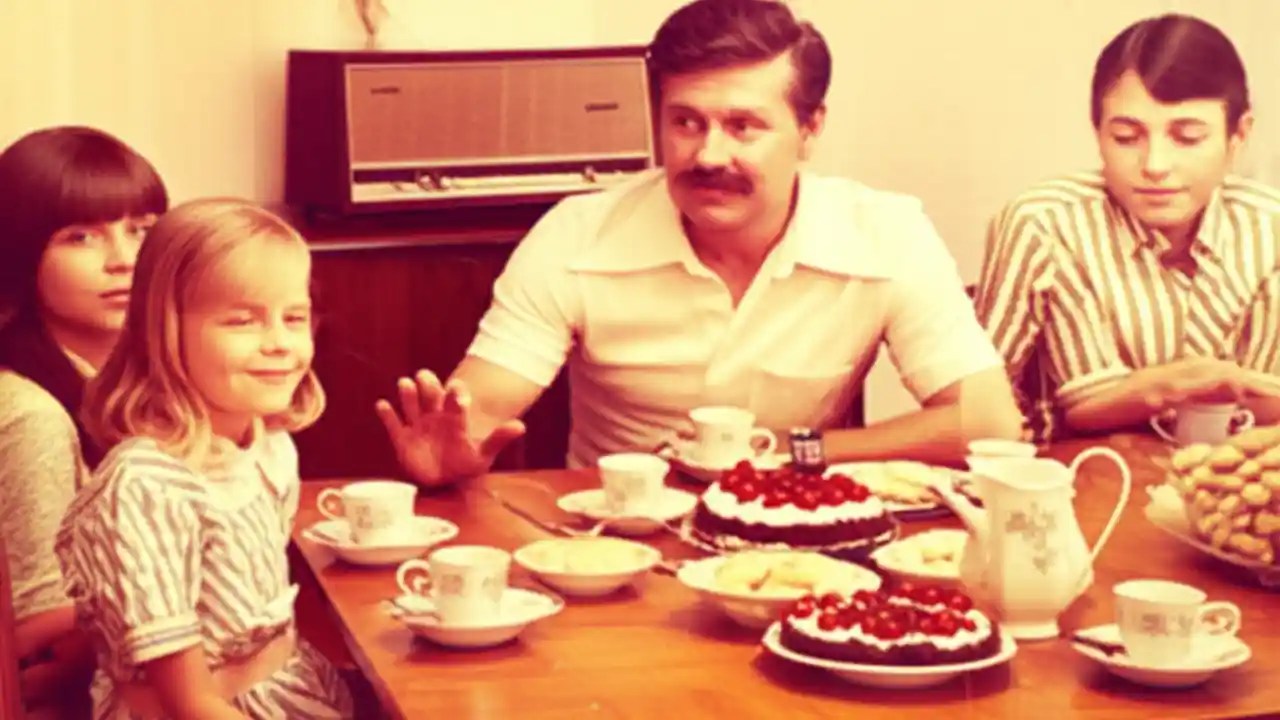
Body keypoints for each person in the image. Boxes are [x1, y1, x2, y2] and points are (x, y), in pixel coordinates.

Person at [376, 0, 1022, 486]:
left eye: (744, 126)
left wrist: (789, 451)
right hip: (615, 546)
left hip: (798, 533)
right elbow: (477, 410)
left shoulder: (886, 232)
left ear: (810, 128)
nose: (709, 154)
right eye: (686, 122)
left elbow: (989, 421)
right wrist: (450, 458)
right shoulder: (578, 235)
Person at [56, 199, 352, 719]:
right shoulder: (146, 488)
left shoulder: (268, 445)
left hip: (286, 691)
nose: (280, 343)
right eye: (243, 321)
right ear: (166, 333)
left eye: (295, 317)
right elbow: (187, 700)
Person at [975, 14, 1280, 441]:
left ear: (1238, 135)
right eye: (1126, 136)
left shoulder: (1270, 227)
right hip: (1081, 482)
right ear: (1097, 131)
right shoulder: (1045, 222)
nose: (1154, 166)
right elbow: (977, 409)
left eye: (1187, 137)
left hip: (1236, 484)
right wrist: (1171, 384)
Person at [0, 125, 167, 716]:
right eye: (81, 237)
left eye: (141, 230)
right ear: (22, 253)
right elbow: (37, 635)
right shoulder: (30, 414)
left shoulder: (130, 379)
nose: (124, 259)